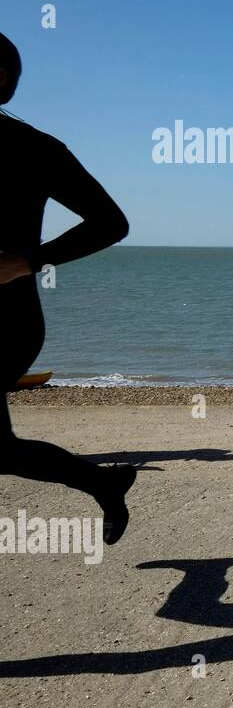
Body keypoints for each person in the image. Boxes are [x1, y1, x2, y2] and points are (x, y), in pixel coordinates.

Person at [0, 31, 136, 543]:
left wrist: (29, 260)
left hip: (7, 323)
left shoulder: (35, 149)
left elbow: (111, 222)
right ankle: (104, 483)